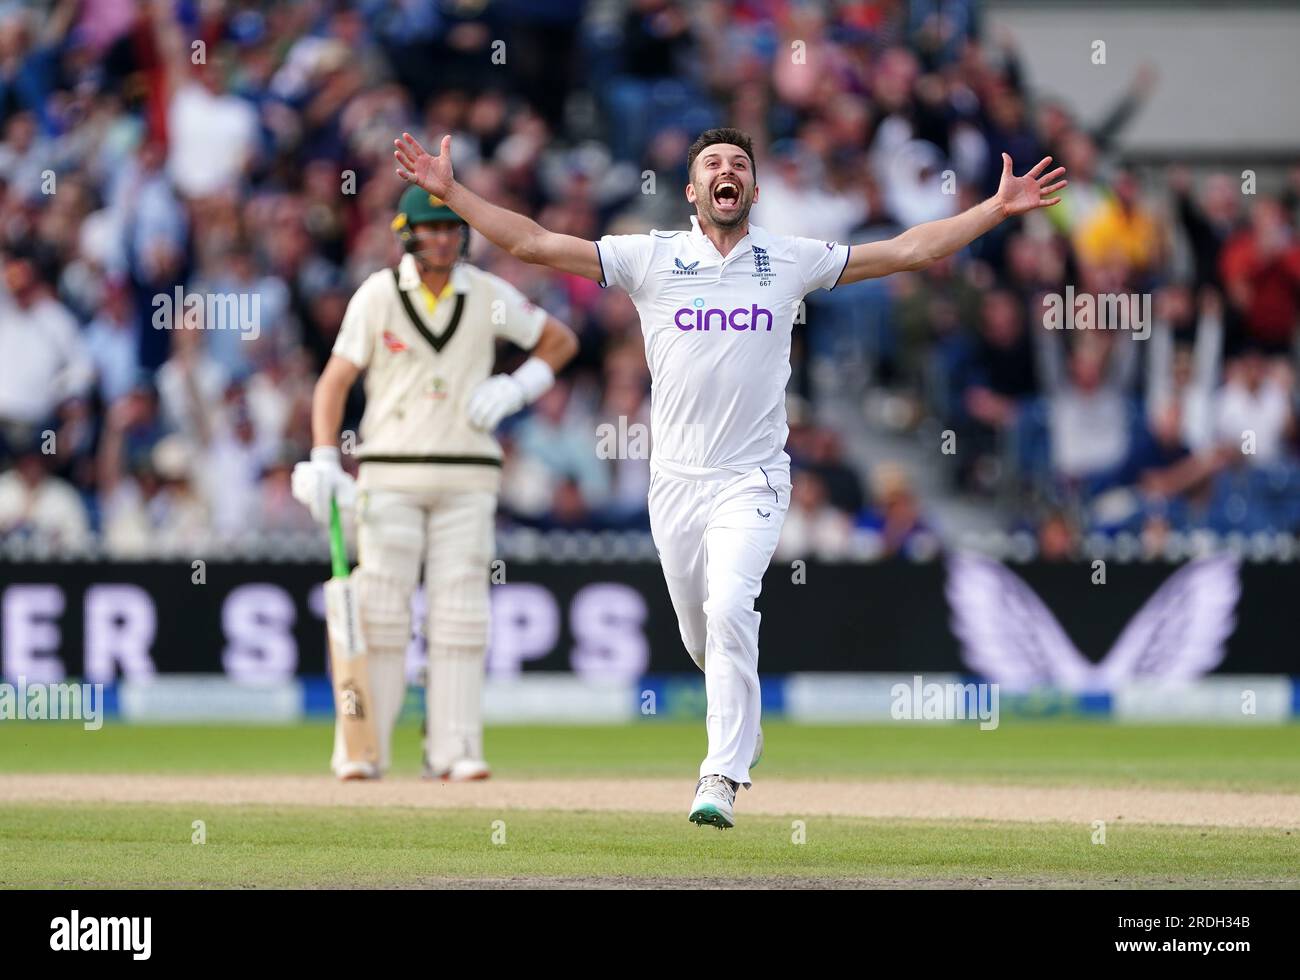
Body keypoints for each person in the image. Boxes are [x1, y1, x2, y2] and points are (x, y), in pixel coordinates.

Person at [394, 125, 1065, 826]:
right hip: (675, 482)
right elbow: (533, 242)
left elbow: (905, 250)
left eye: (739, 164)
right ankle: (741, 721)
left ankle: (720, 774)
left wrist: (993, 209)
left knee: (729, 607)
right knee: (700, 633)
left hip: (753, 477)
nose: (727, 171)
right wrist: (453, 193)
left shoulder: (789, 259)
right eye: (713, 163)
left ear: (752, 187)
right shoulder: (650, 257)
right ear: (692, 191)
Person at [292, 185, 577, 781]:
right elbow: (333, 382)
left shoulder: (486, 294)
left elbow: (560, 341)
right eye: (431, 230)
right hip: (389, 473)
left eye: (451, 229)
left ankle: (453, 750)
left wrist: (517, 388)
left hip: (468, 476)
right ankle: (364, 750)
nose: (444, 239)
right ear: (408, 233)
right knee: (380, 616)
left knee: (461, 616)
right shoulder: (378, 295)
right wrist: (323, 457)